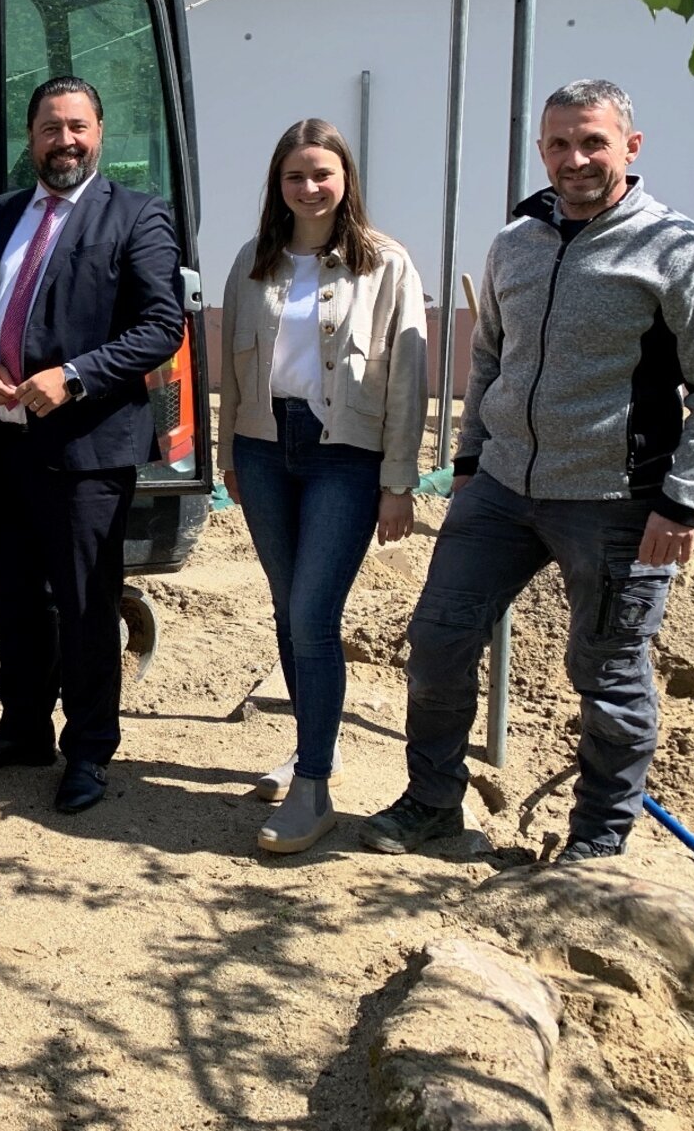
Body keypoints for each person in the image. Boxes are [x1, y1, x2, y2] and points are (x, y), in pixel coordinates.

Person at [360, 79, 694, 863]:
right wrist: (470, 460)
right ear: (541, 149)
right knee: (437, 640)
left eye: (593, 141)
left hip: (617, 502)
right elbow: (490, 358)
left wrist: (683, 500)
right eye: (560, 143)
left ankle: (597, 839)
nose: (575, 159)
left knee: (607, 671)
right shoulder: (515, 242)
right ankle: (433, 803)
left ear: (630, 147)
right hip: (502, 490)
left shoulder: (678, 248)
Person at [0, 75, 184, 815]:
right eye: (51, 128)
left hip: (87, 450)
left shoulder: (136, 215)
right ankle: (23, 728)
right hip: (4, 443)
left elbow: (160, 326)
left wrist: (74, 378)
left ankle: (89, 747)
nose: (65, 141)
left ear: (99, 132)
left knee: (83, 605)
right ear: (31, 137)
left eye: (77, 126)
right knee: (14, 597)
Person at [219, 118, 427, 855]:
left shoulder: (386, 263)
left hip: (345, 454)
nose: (309, 187)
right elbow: (232, 366)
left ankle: (313, 789)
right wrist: (229, 453)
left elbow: (407, 380)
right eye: (295, 176)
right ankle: (318, 744)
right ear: (277, 184)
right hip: (263, 449)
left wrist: (398, 479)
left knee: (312, 613)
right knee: (287, 608)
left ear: (346, 180)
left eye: (322, 174)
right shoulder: (254, 259)